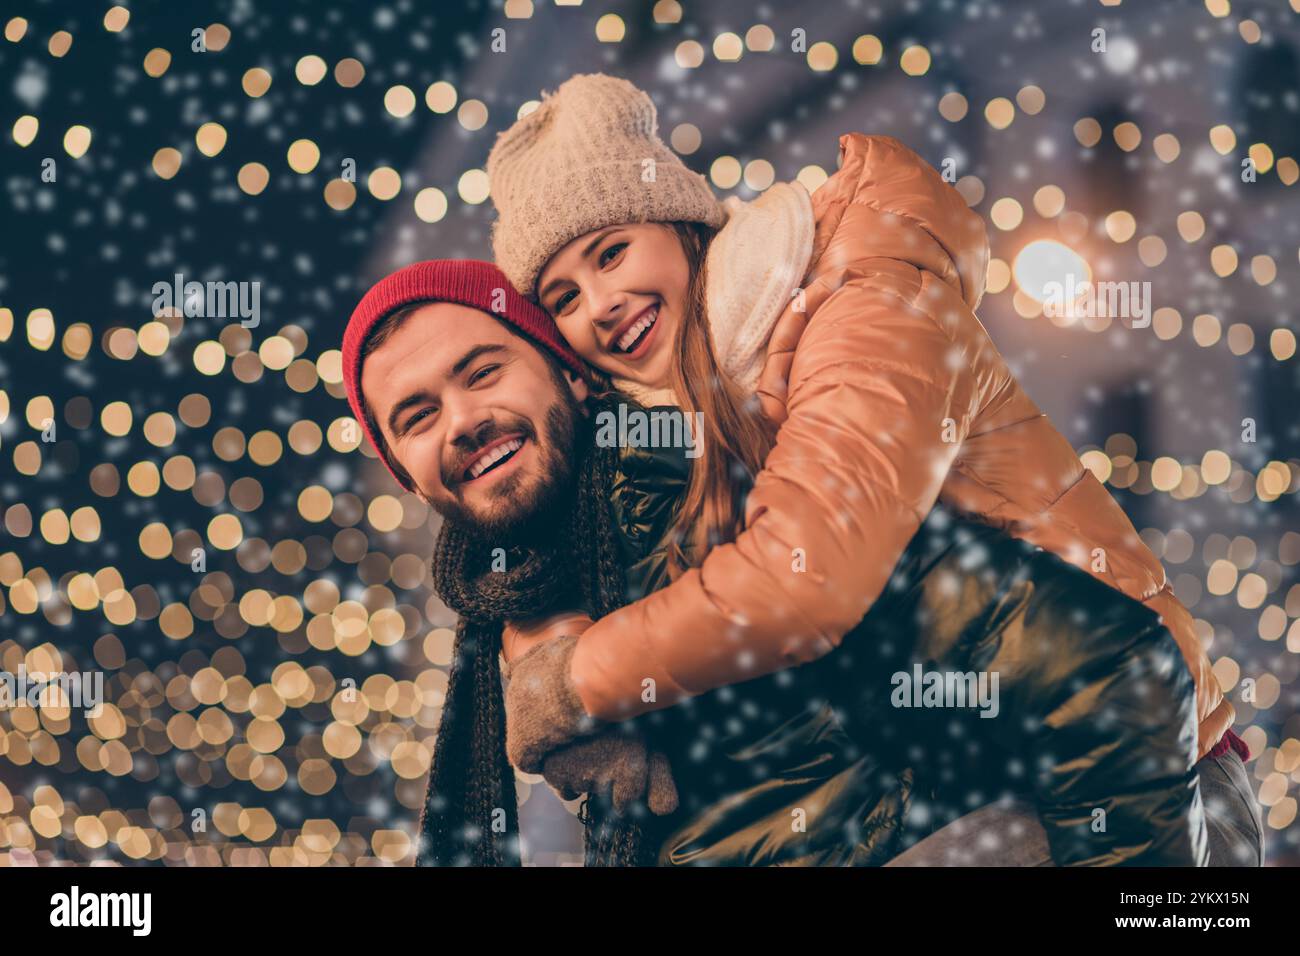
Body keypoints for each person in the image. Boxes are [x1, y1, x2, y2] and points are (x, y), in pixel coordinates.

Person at [341, 261, 1264, 867]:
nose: (460, 421)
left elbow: (1111, 664)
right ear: (406, 473)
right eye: (415, 417)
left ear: (571, 375)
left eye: (484, 371)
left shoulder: (738, 493)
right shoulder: (529, 614)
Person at [481, 73, 1248, 796]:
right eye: (566, 297)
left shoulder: (857, 297)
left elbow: (801, 580)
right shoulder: (687, 401)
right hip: (990, 771)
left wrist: (575, 681)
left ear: (682, 224)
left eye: (611, 253)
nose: (602, 303)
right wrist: (534, 631)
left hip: (1142, 760)